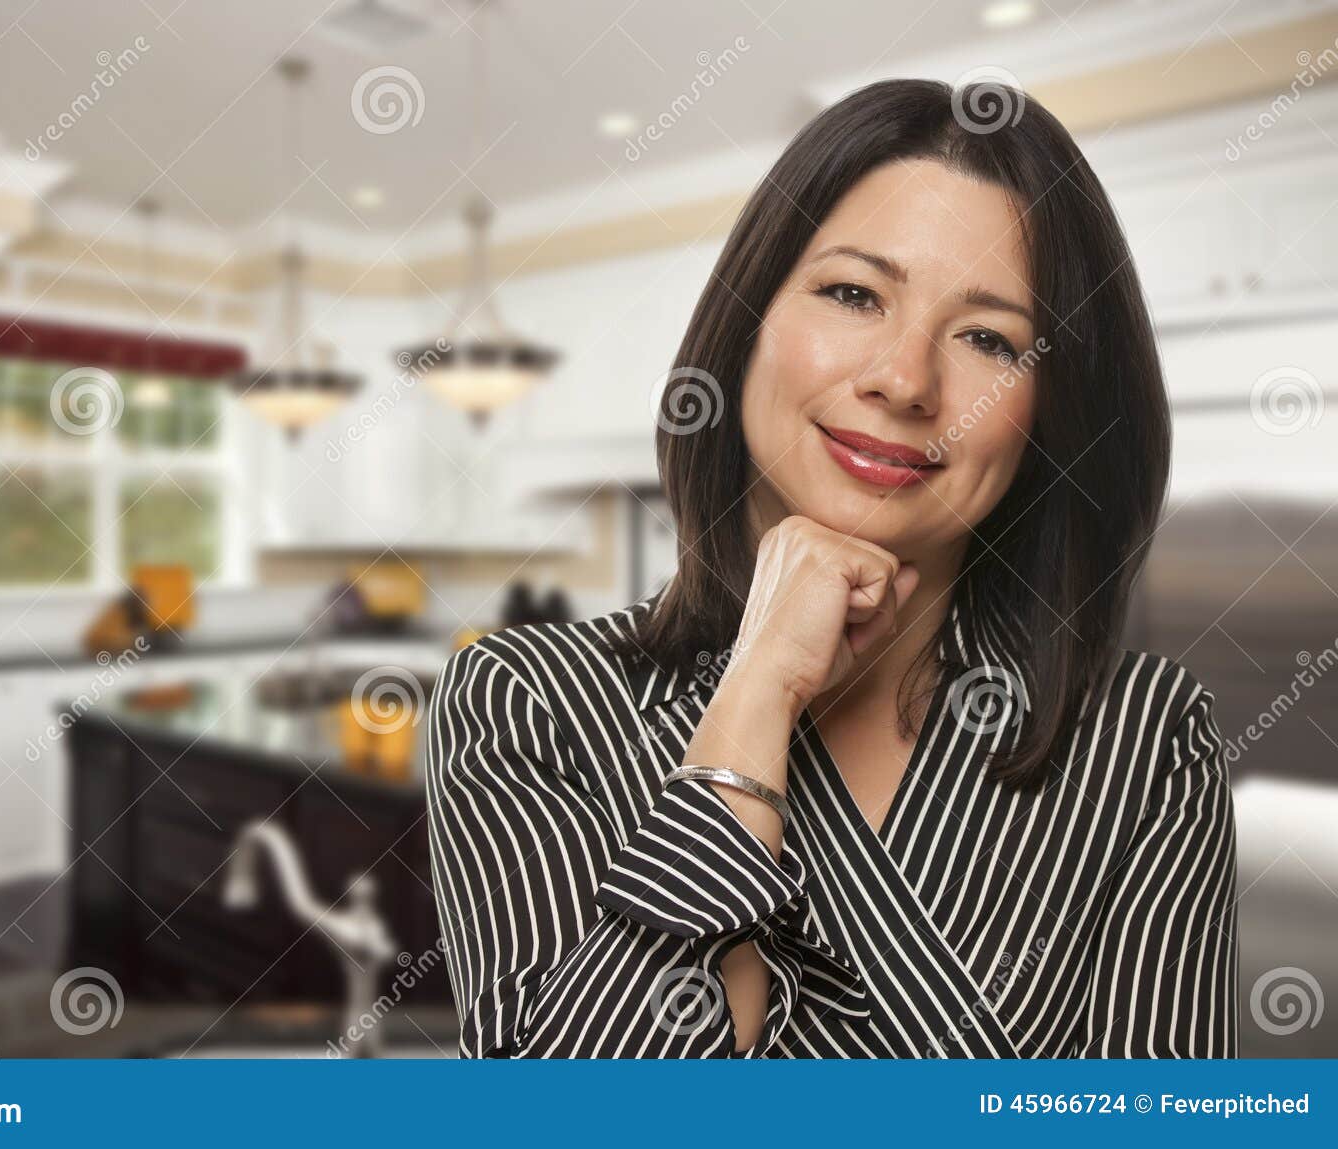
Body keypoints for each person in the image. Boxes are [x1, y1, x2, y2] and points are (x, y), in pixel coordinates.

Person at [425, 78, 1238, 1059]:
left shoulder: (1143, 742)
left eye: (988, 338)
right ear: (747, 321)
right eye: (853, 294)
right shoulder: (525, 701)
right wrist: (758, 691)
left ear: (1049, 417)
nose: (904, 380)